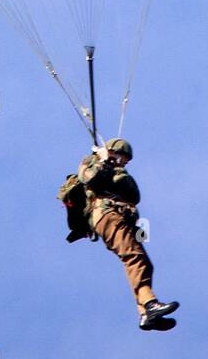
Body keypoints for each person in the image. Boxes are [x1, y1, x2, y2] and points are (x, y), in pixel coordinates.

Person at [77, 138, 180, 331]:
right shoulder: (92, 162)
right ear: (114, 152)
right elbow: (88, 178)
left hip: (120, 218)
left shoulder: (117, 172)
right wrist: (103, 160)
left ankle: (146, 314)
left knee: (142, 262)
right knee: (135, 257)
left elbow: (135, 196)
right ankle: (150, 305)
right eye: (124, 156)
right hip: (107, 216)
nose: (126, 161)